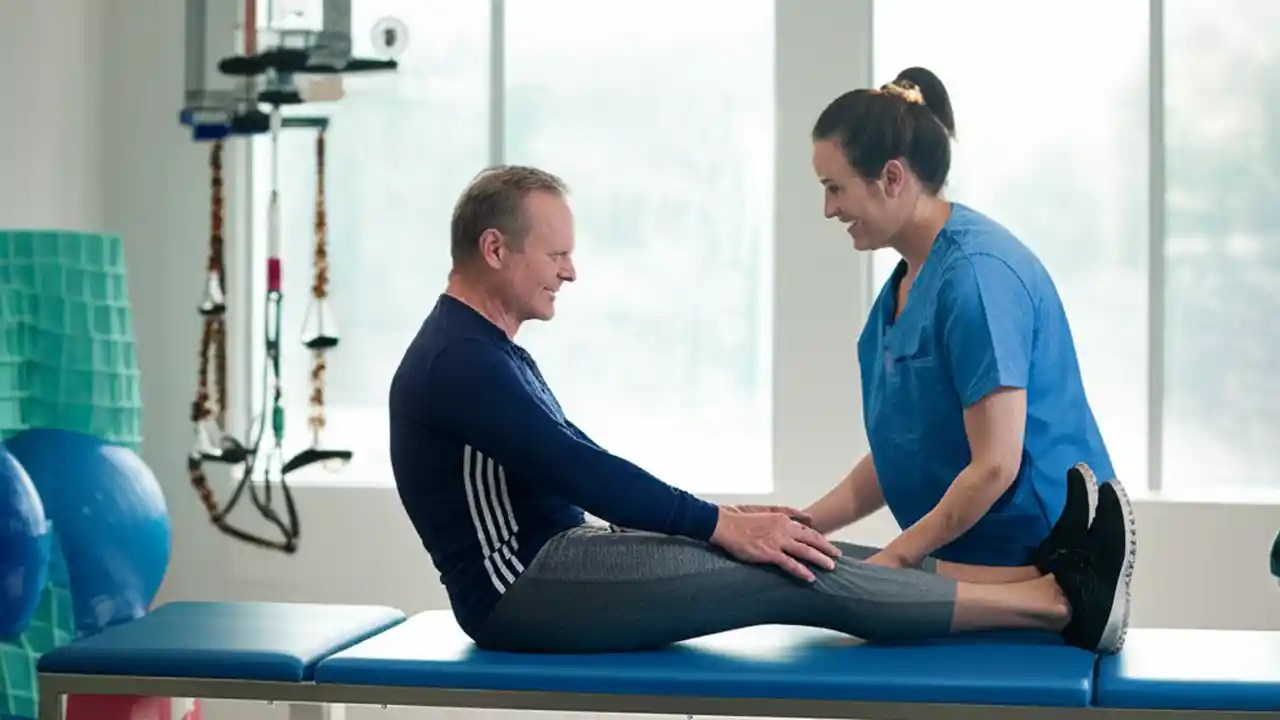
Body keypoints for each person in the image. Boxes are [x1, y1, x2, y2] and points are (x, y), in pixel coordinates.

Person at [387, 164, 1135, 657]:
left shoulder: (484, 350)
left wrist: (723, 521)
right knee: (788, 574)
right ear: (494, 249)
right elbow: (584, 471)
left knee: (799, 551)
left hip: (559, 560)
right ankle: (1060, 608)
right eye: (556, 255)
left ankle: (1047, 576)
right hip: (523, 591)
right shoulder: (460, 361)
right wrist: (721, 525)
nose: (571, 271)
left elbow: (570, 459)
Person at [801, 67, 1123, 575]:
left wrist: (898, 558)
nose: (828, 209)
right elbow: (905, 456)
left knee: (846, 591)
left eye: (834, 188)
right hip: (973, 555)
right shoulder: (907, 284)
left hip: (1044, 560)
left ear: (891, 177)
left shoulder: (978, 278)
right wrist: (803, 523)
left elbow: (996, 463)